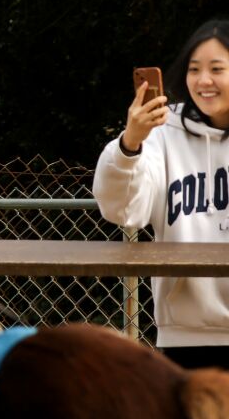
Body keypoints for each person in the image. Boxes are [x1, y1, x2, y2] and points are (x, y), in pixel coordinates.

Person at [95, 20, 229, 368]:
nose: (203, 80)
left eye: (217, 69)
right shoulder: (163, 131)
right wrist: (131, 142)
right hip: (188, 334)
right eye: (194, 69)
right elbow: (124, 209)